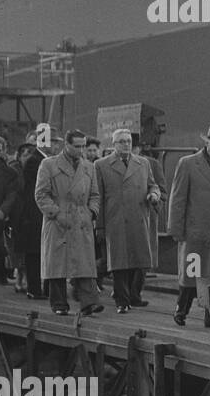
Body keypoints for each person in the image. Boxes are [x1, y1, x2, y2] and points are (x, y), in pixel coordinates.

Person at [169, 125, 210, 328]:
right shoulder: (187, 164)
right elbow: (178, 198)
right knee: (191, 274)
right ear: (206, 143)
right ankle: (182, 310)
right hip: (195, 231)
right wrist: (176, 229)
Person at [35, 130, 104, 317]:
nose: (81, 150)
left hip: (81, 219)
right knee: (57, 265)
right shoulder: (48, 165)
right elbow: (41, 194)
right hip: (59, 220)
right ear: (67, 145)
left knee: (84, 262)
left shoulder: (89, 167)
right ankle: (59, 303)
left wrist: (91, 212)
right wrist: (56, 213)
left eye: (83, 146)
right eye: (77, 146)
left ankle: (89, 302)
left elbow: (95, 195)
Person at [96, 129, 161, 313]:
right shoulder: (102, 165)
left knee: (137, 260)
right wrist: (99, 225)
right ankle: (122, 300)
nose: (126, 145)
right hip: (115, 220)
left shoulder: (143, 163)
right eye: (122, 142)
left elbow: (152, 184)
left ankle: (133, 296)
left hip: (138, 218)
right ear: (114, 144)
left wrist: (154, 195)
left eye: (129, 141)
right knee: (119, 263)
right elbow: (98, 197)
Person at [134, 141, 167, 306]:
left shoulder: (152, 164)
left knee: (143, 259)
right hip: (122, 219)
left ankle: (134, 293)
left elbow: (162, 190)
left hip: (145, 217)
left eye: (133, 146)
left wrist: (155, 201)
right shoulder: (108, 164)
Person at [12, 142, 45, 297]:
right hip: (33, 214)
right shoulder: (35, 162)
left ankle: (35, 287)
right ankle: (33, 287)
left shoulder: (41, 160)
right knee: (34, 253)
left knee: (37, 253)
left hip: (36, 213)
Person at [0, 136, 17, 284]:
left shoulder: (10, 172)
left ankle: (0, 275)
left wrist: (4, 210)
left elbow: (12, 194)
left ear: (4, 151)